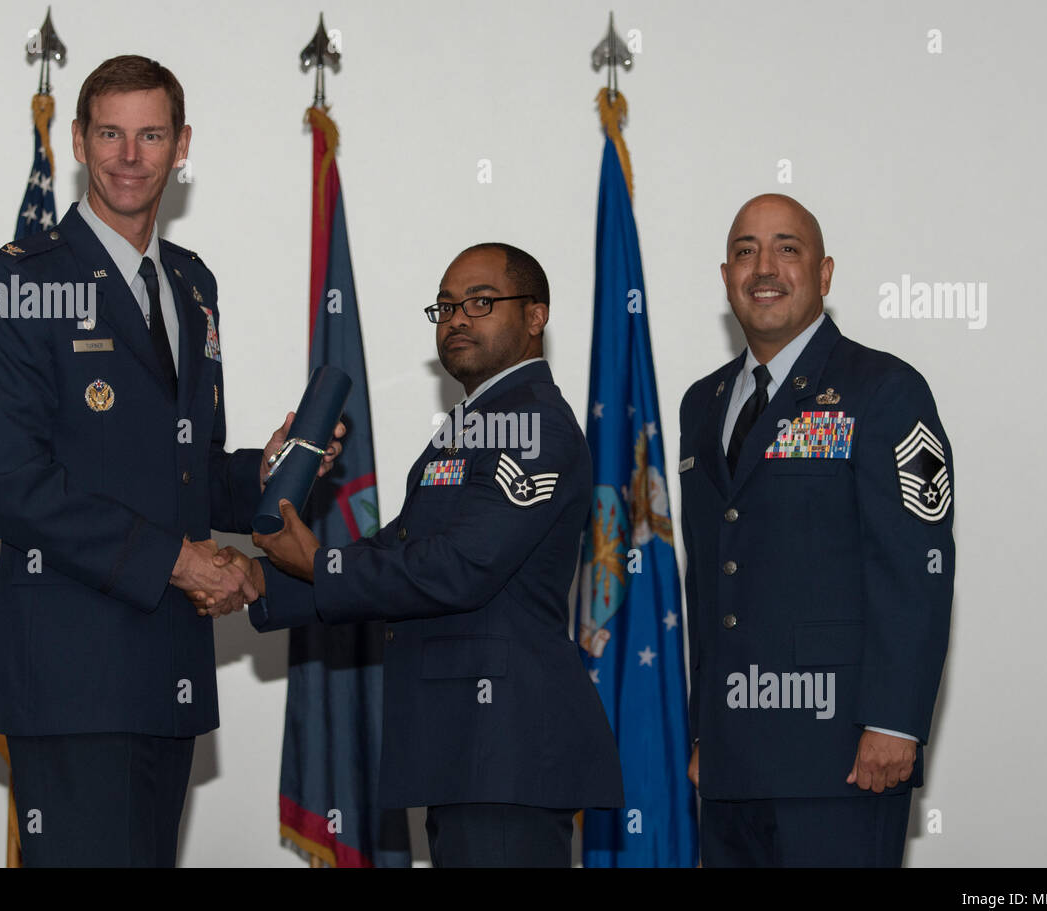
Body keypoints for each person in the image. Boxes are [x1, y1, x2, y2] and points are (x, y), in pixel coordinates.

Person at [0, 55, 341, 867]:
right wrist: (182, 564)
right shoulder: (15, 285)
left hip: (167, 670)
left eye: (151, 134)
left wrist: (269, 472)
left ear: (181, 145)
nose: (130, 156)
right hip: (73, 679)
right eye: (111, 134)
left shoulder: (191, 284)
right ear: (78, 140)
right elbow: (18, 489)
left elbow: (190, 469)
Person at [194, 244, 624, 867]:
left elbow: (460, 569)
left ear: (536, 317)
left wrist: (320, 564)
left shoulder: (535, 425)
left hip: (504, 753)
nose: (456, 319)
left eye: (480, 302)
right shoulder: (472, 425)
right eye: (446, 306)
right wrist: (263, 579)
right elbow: (400, 549)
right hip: (464, 752)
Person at [678, 194, 954, 867]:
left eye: (787, 248)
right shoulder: (701, 403)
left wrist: (895, 721)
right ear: (725, 277)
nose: (763, 266)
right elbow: (715, 582)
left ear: (825, 274)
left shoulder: (883, 388)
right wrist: (704, 730)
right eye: (745, 250)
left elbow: (916, 566)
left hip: (843, 759)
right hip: (731, 761)